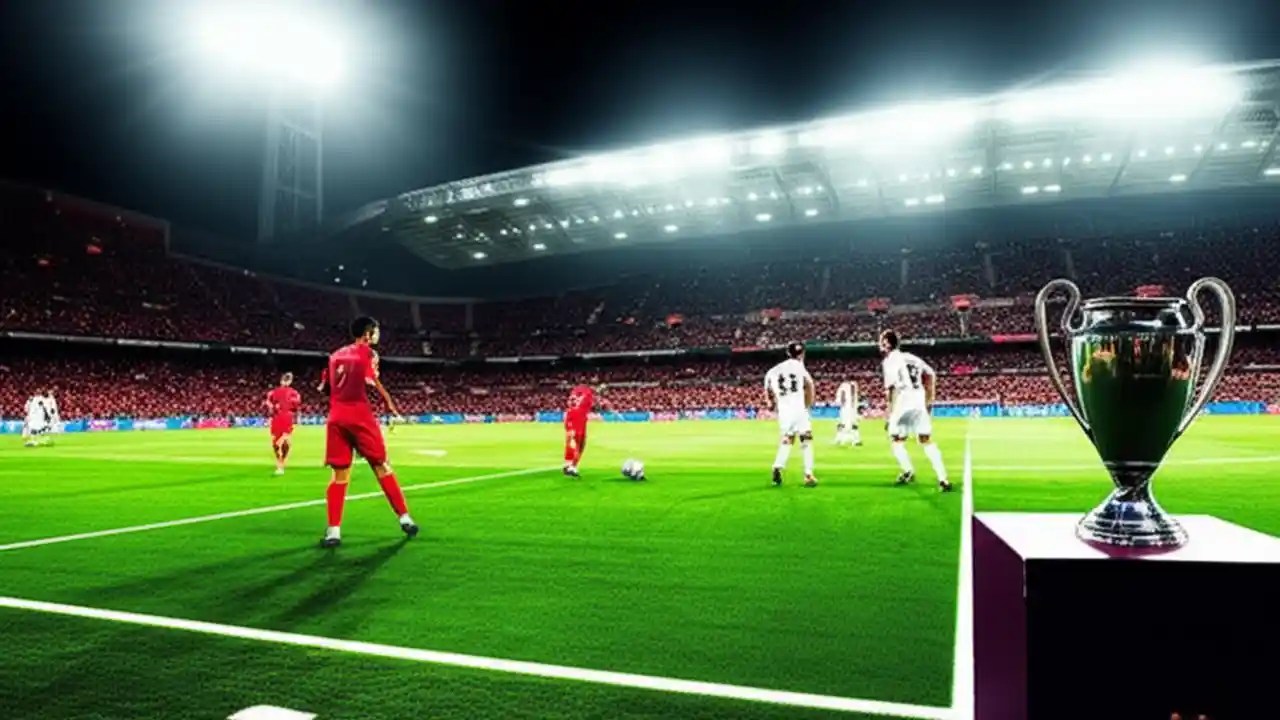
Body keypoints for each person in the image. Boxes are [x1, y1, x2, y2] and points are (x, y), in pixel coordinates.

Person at [318, 316, 418, 548]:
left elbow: (326, 388)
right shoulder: (369, 354)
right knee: (381, 466)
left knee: (339, 476)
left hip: (336, 418)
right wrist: (390, 406)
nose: (378, 335)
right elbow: (372, 382)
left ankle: (333, 532)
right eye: (377, 331)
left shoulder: (334, 355)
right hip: (360, 416)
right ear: (368, 334)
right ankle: (404, 518)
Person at [879, 329, 951, 492]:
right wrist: (929, 400)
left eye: (881, 341)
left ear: (887, 343)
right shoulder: (912, 357)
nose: (880, 345)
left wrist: (889, 414)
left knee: (895, 438)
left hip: (903, 399)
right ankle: (943, 479)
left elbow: (890, 389)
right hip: (919, 399)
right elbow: (931, 374)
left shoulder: (889, 361)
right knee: (925, 440)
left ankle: (908, 471)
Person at [764, 341, 817, 487]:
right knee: (806, 439)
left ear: (788, 353)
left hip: (784, 410)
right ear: (802, 354)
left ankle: (777, 466)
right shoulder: (800, 367)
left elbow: (767, 389)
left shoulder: (773, 370)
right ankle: (808, 474)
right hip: (798, 407)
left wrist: (770, 403)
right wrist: (808, 405)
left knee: (787, 439)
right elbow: (809, 385)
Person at [265, 372, 301, 475]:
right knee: (275, 442)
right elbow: (268, 402)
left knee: (284, 441)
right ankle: (279, 462)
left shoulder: (294, 393)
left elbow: (297, 407)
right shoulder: (273, 392)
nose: (285, 382)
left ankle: (282, 462)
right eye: (285, 379)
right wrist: (271, 409)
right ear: (281, 380)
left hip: (287, 418)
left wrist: (297, 419)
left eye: (288, 379)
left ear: (290, 381)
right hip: (277, 418)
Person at [563, 383, 598, 477]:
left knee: (571, 446)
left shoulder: (573, 400)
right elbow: (589, 400)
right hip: (579, 427)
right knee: (580, 447)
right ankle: (572, 466)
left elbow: (566, 417)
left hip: (572, 423)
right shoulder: (586, 397)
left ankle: (567, 465)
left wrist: (568, 428)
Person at [833, 380, 862, 447]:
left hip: (848, 408)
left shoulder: (846, 386)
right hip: (849, 408)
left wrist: (844, 403)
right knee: (848, 424)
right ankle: (853, 440)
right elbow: (847, 397)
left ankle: (850, 440)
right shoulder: (850, 386)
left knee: (847, 425)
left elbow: (844, 397)